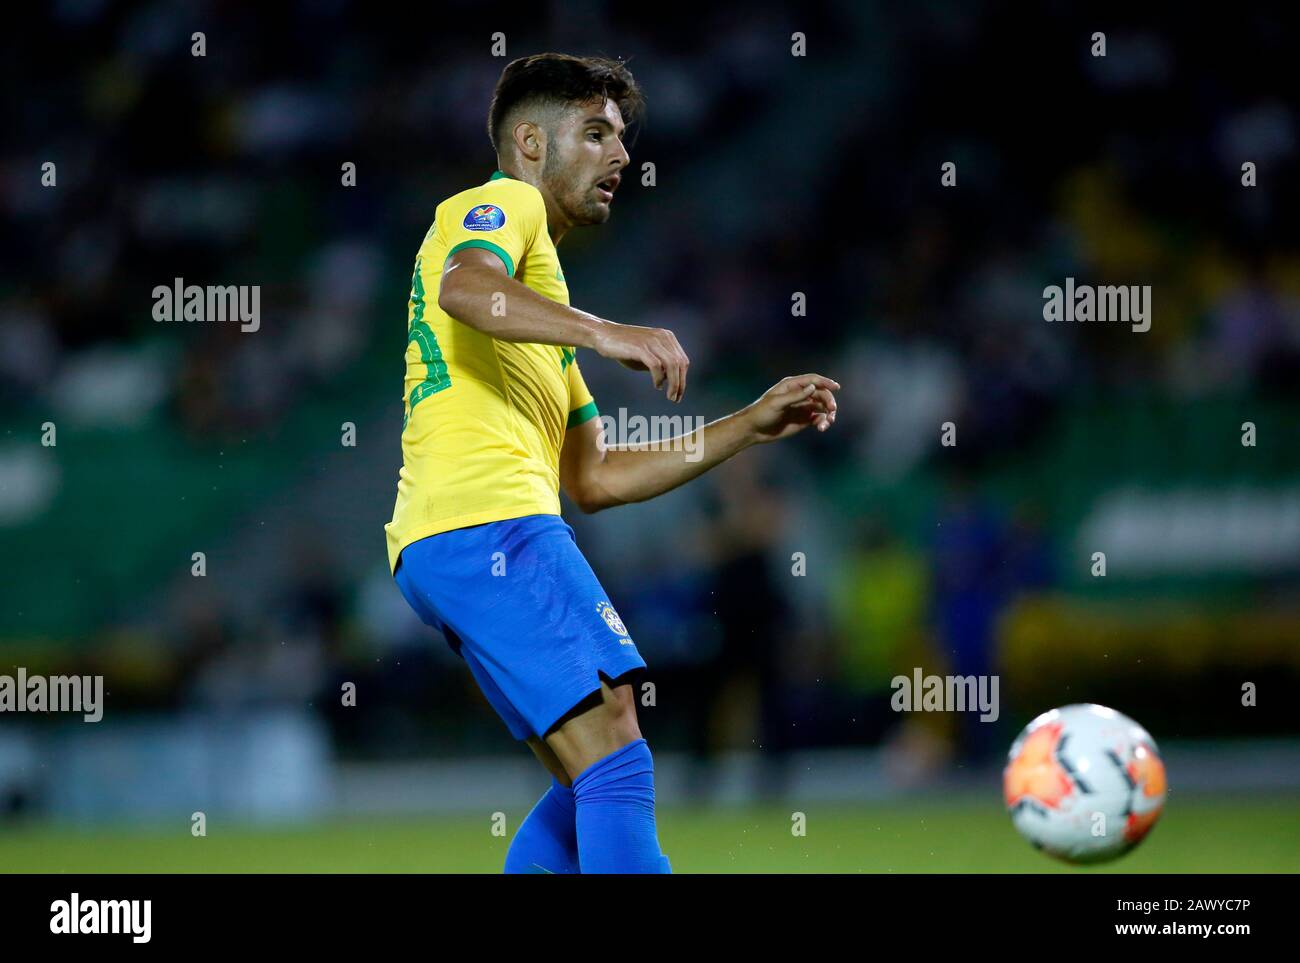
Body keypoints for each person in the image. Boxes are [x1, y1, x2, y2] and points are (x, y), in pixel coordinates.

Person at [385, 52, 839, 873]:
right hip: (488, 523)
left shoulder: (541, 308)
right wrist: (608, 331)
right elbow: (463, 288)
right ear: (529, 142)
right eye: (594, 133)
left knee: (589, 774)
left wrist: (748, 425)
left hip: (454, 536)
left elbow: (596, 478)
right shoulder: (500, 204)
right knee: (619, 740)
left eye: (621, 138)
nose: (620, 156)